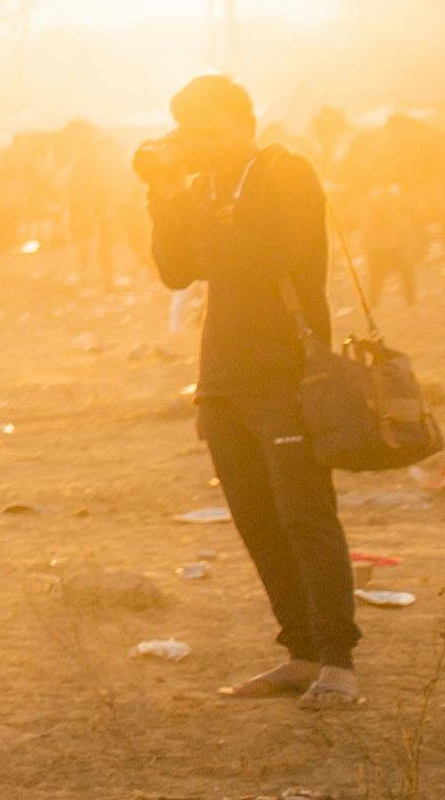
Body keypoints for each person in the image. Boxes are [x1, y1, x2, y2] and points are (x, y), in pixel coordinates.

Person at [138, 74, 359, 709]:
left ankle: (339, 662)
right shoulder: (205, 186)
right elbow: (176, 269)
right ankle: (301, 653)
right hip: (223, 379)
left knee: (305, 516)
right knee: (258, 521)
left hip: (286, 372)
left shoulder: (283, 173)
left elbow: (255, 256)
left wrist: (192, 205)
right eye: (187, 132)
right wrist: (164, 194)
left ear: (244, 123)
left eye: (207, 131)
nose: (197, 145)